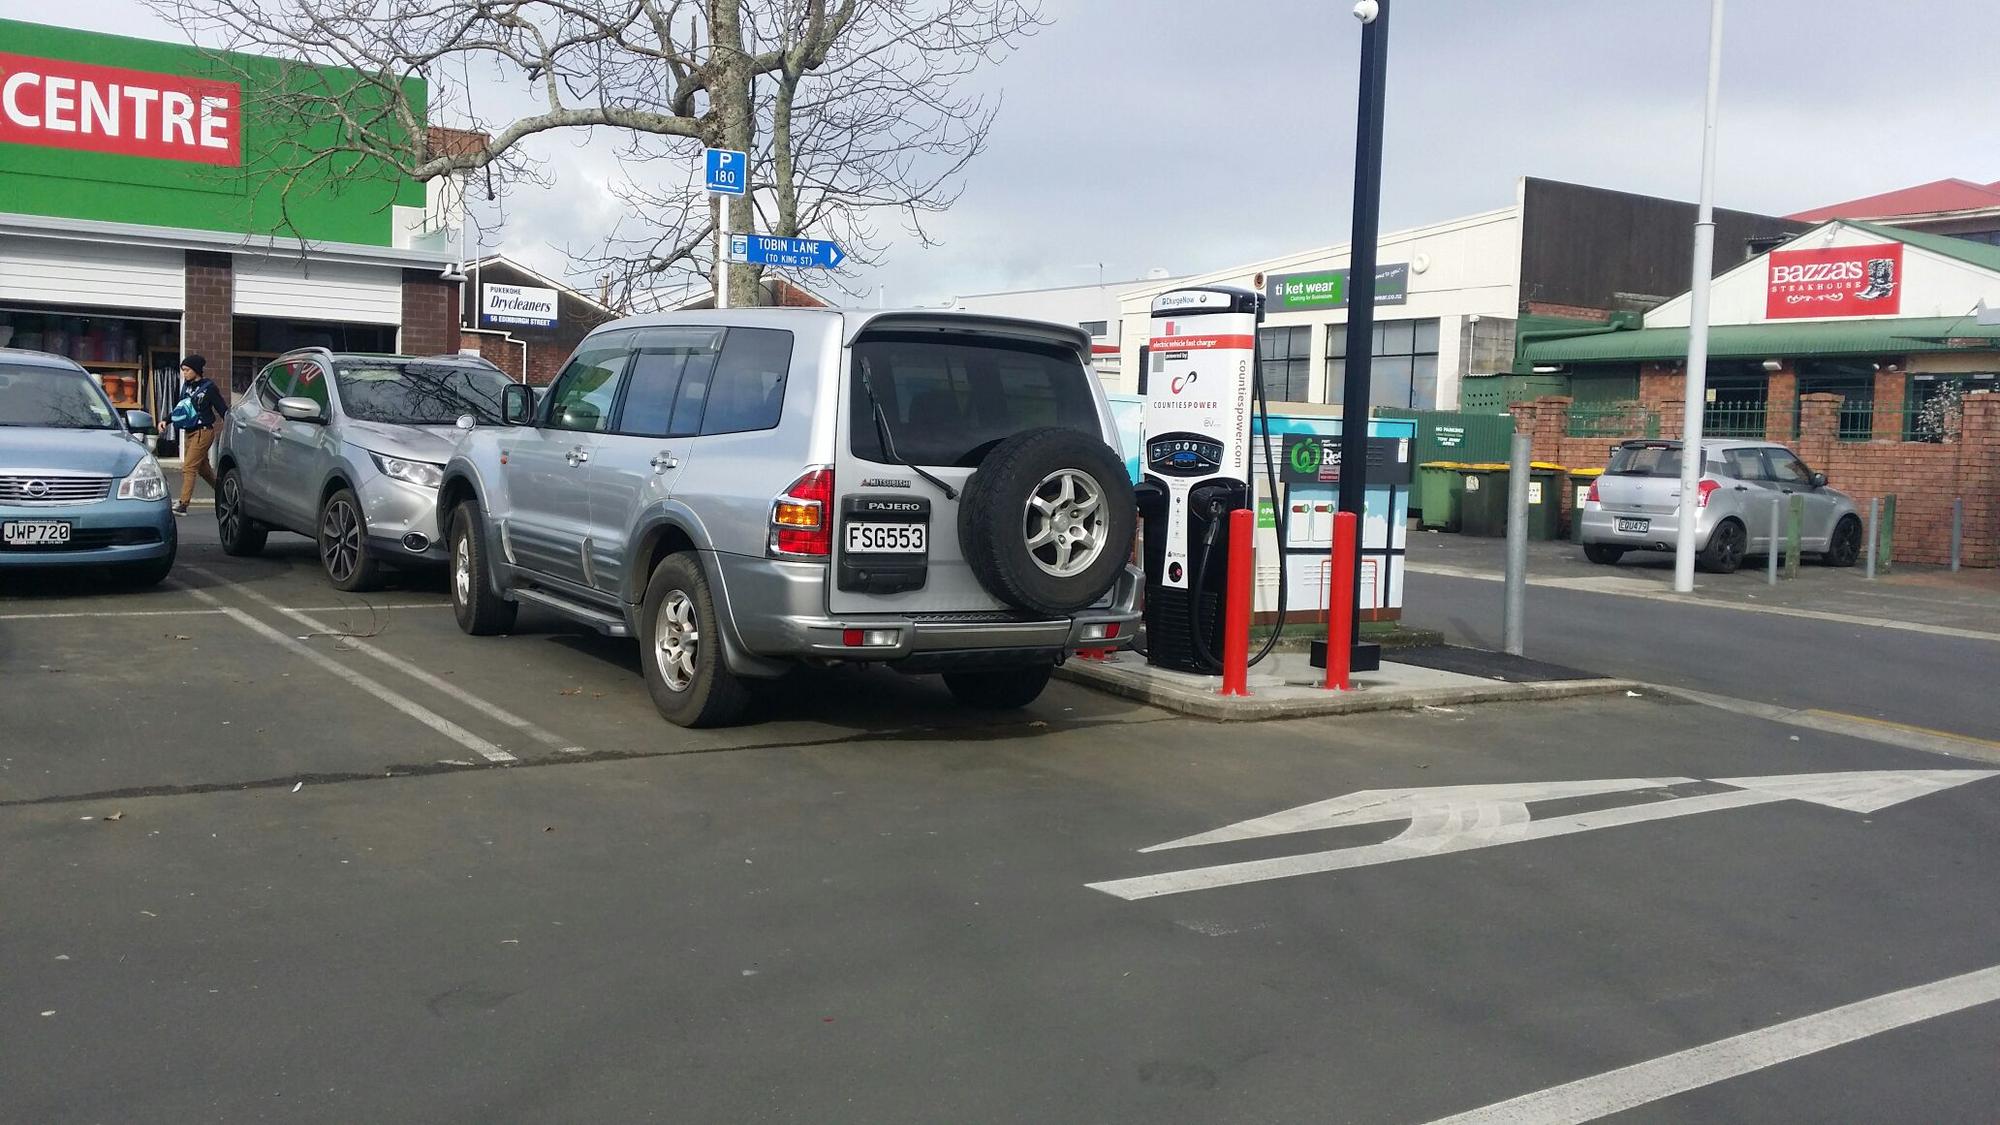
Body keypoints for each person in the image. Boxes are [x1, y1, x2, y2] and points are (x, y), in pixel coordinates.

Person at [161, 355, 226, 515]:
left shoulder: (209, 387)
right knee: (203, 470)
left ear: (196, 370)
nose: (184, 373)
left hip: (203, 432)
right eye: (183, 370)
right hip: (189, 433)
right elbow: (180, 407)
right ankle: (224, 492)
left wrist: (232, 426)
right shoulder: (186, 386)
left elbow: (222, 409)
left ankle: (183, 505)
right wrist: (166, 420)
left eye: (187, 370)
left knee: (189, 466)